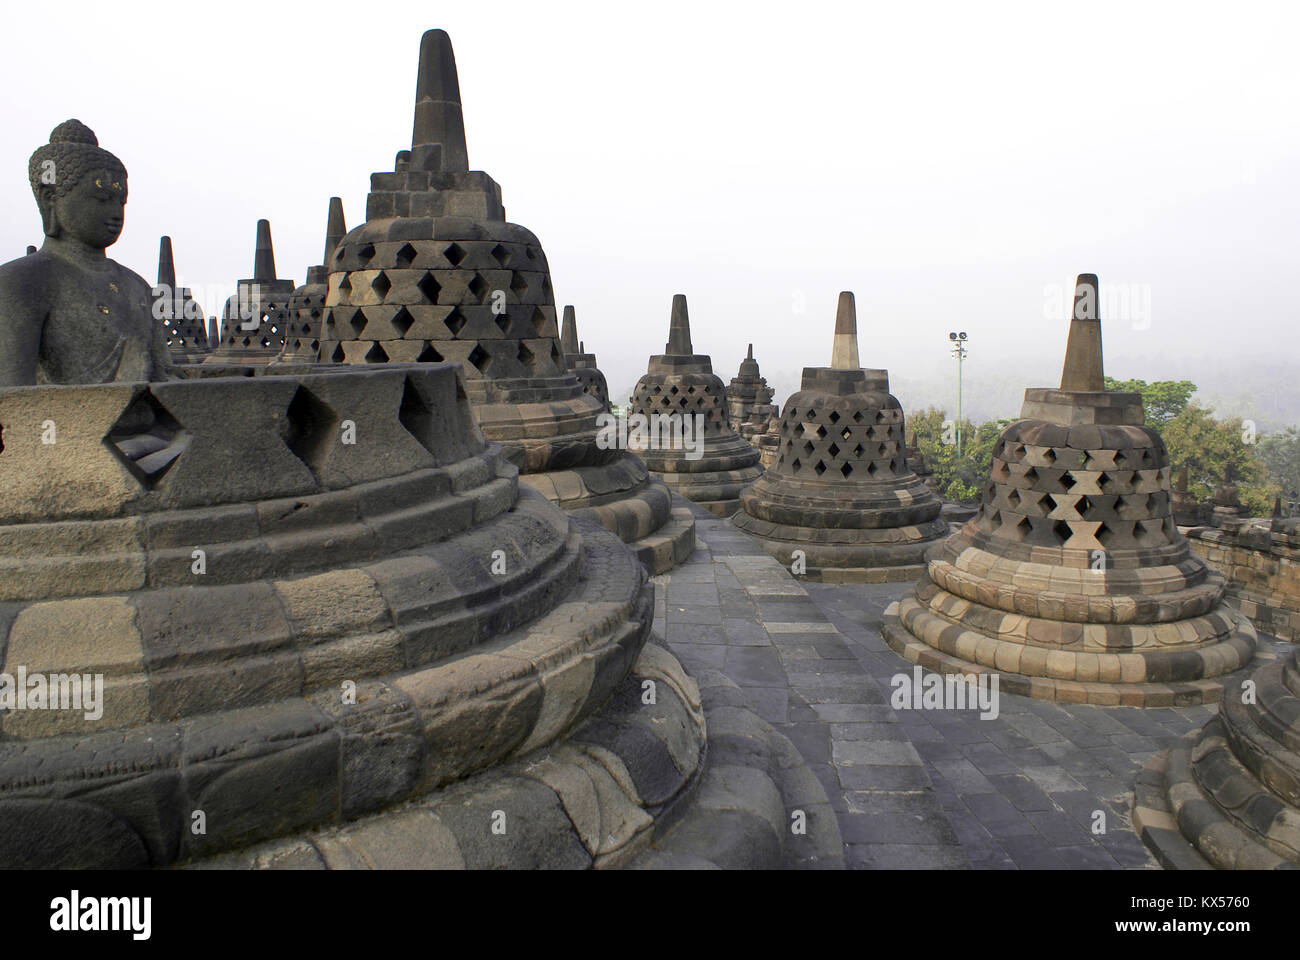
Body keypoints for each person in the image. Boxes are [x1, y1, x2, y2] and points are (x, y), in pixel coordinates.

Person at [0, 119, 174, 386]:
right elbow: (14, 403)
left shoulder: (138, 287)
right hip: (66, 427)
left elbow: (166, 379)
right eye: (102, 199)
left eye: (121, 201)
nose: (116, 213)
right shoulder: (19, 283)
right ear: (50, 198)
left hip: (154, 425)